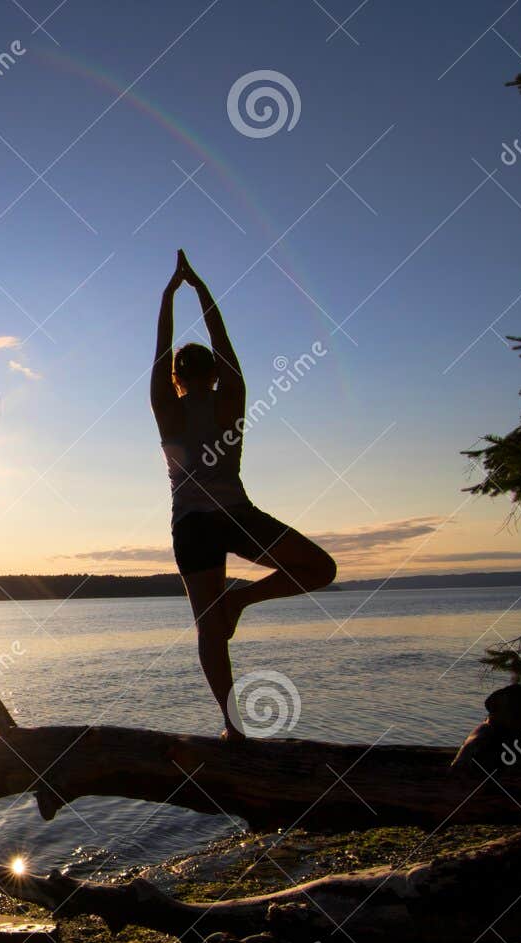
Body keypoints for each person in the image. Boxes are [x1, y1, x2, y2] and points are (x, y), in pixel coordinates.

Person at [151, 250, 337, 738]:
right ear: (213, 373)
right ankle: (242, 606)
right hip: (232, 515)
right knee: (321, 568)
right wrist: (201, 290)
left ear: (175, 376)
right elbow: (223, 340)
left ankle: (233, 726)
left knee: (210, 628)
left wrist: (169, 296)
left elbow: (159, 349)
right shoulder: (232, 396)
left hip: (195, 524)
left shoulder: (165, 408)